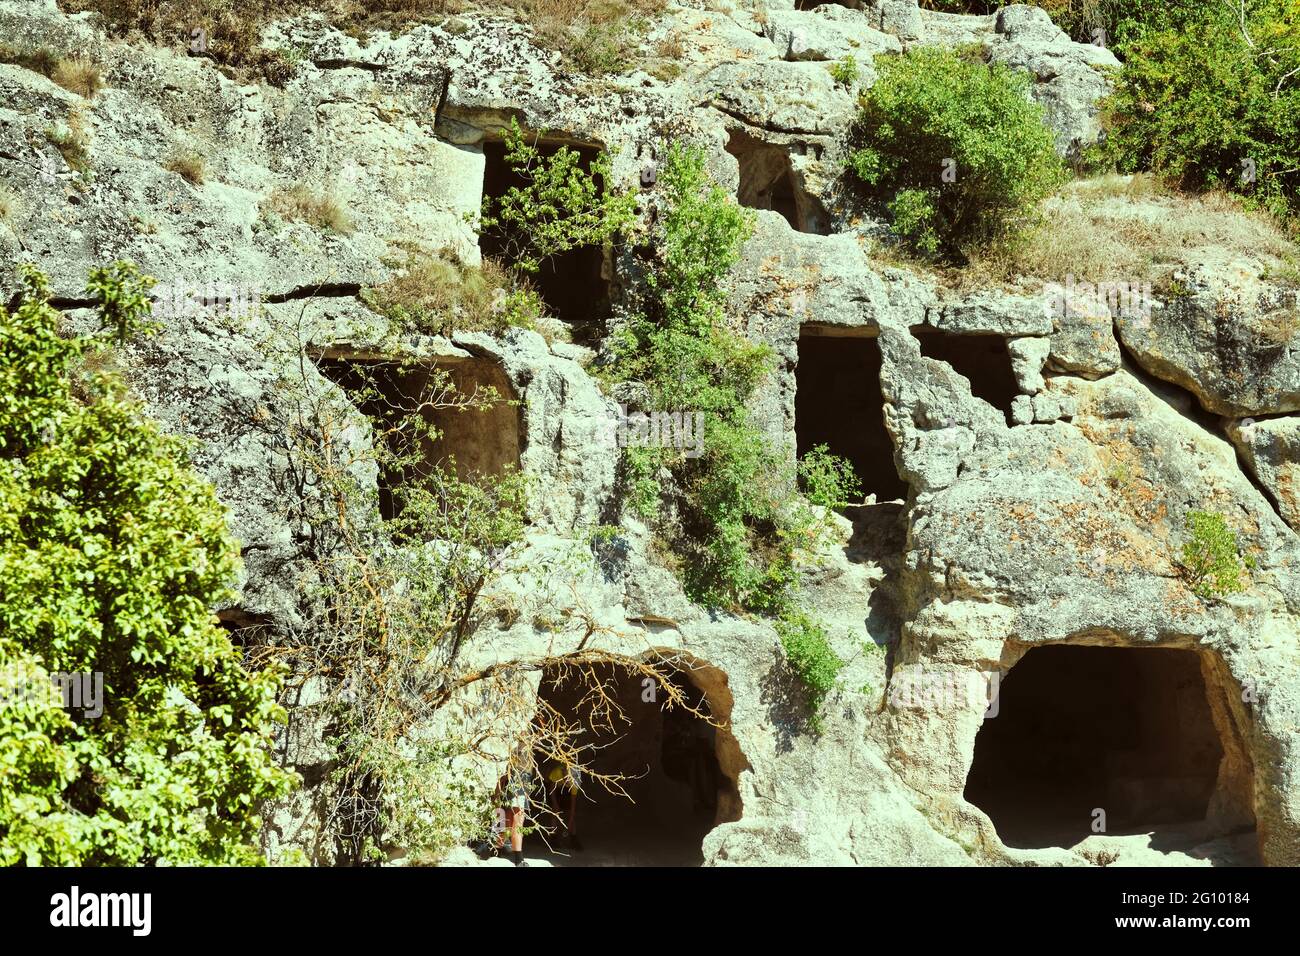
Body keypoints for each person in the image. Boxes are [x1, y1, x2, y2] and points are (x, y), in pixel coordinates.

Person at [494, 746, 535, 867]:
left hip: (515, 781)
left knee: (507, 819)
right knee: (517, 820)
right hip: (519, 780)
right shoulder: (521, 748)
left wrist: (497, 793)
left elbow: (503, 775)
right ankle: (518, 859)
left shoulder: (515, 747)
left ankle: (496, 851)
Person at [544, 758, 584, 852]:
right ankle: (553, 838)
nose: (566, 780)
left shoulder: (575, 781)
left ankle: (573, 839)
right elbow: (552, 791)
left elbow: (573, 803)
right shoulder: (557, 772)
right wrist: (555, 804)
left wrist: (570, 819)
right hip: (555, 787)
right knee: (555, 811)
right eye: (565, 778)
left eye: (568, 779)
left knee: (570, 812)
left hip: (566, 789)